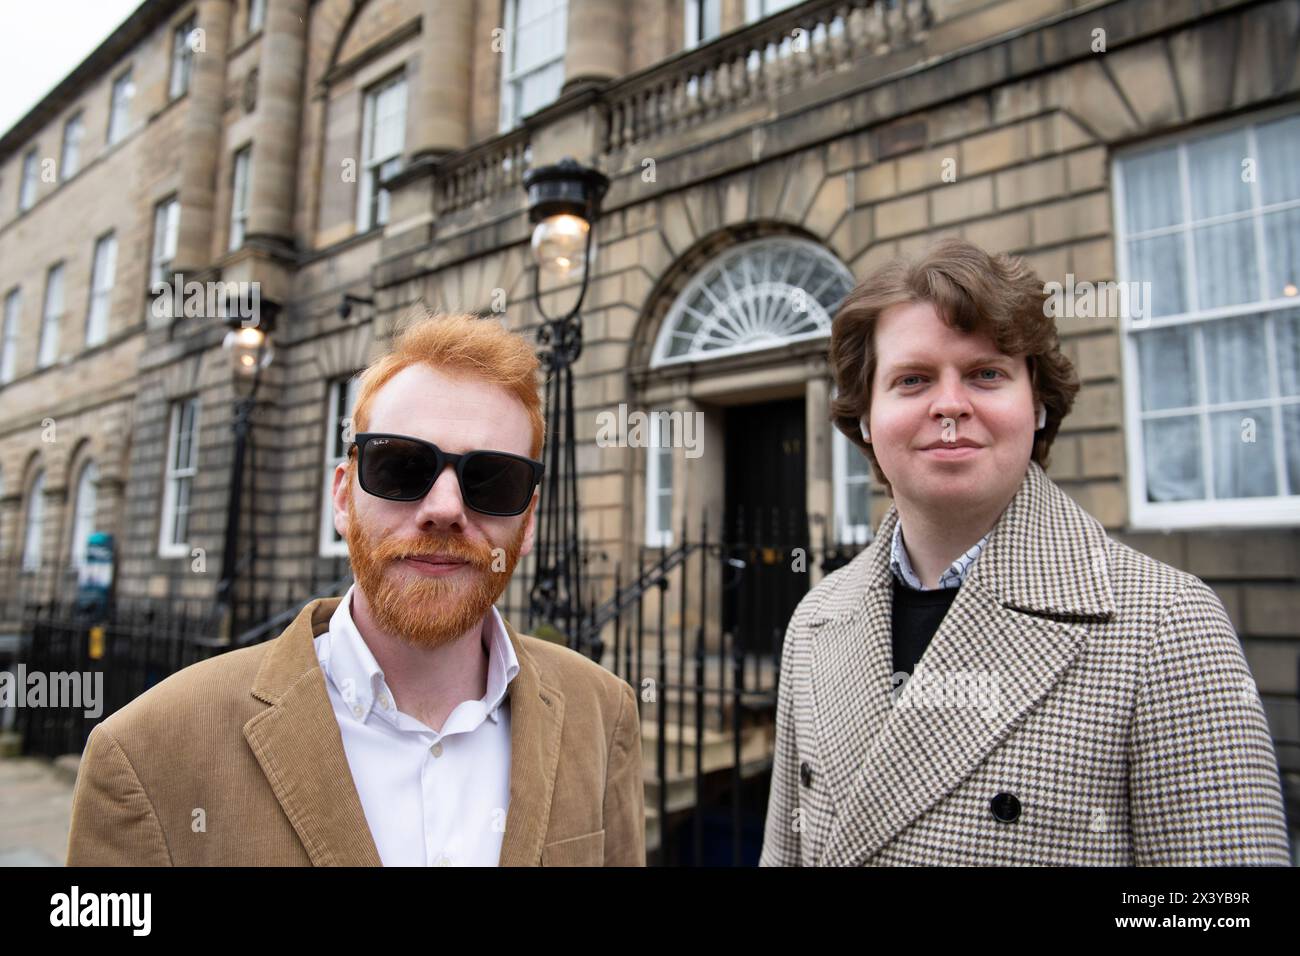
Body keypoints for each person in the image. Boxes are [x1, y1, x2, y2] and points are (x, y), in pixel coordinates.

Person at [760, 238, 1290, 866]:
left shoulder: (1167, 625)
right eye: (912, 379)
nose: (950, 404)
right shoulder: (815, 621)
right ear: (866, 419)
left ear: (1036, 405)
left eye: (986, 373)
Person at [67, 311, 645, 866]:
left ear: (529, 521)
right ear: (342, 496)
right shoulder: (145, 753)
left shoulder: (603, 712)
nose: (444, 510)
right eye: (401, 467)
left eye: (492, 479)